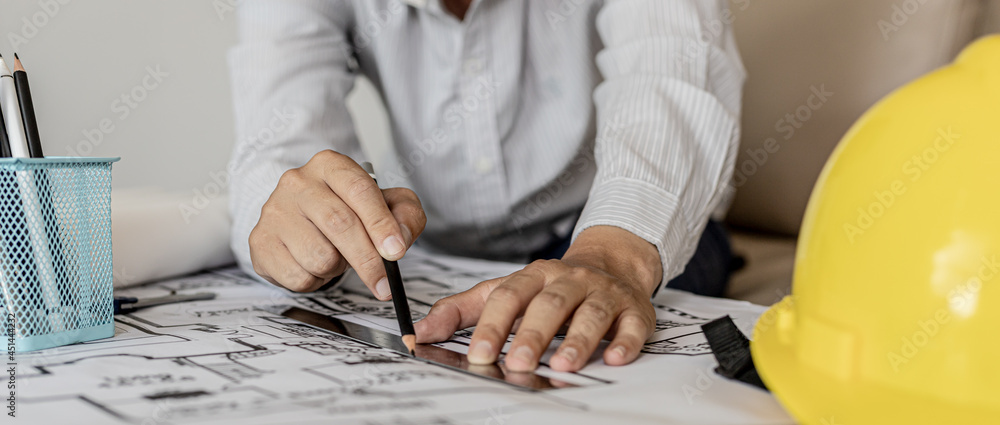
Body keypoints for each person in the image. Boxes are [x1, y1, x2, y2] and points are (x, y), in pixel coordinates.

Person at [228, 0, 745, 373]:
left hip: (602, 232)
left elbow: (669, 73)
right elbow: (279, 136)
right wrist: (299, 227)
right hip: (431, 252)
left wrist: (612, 256)